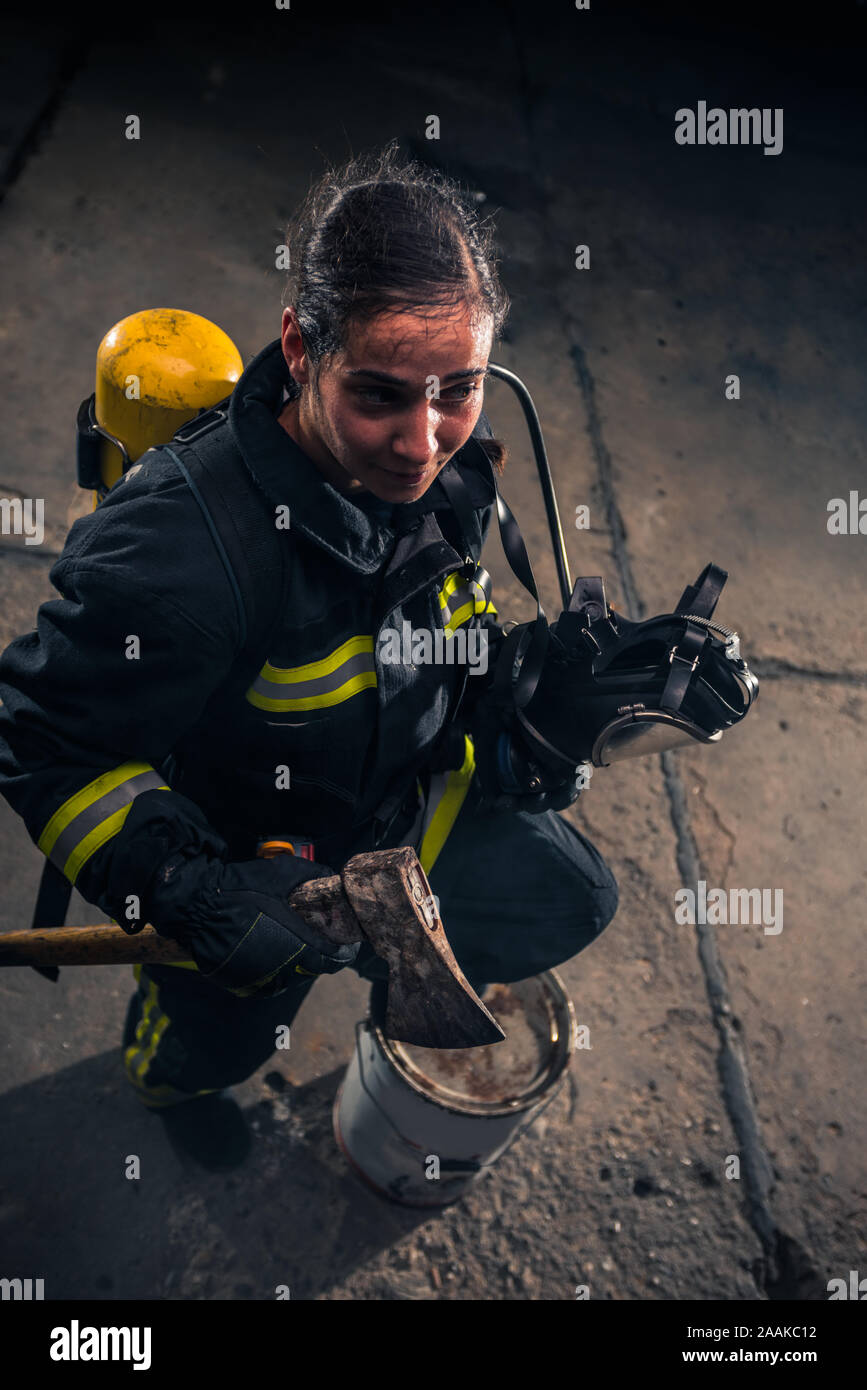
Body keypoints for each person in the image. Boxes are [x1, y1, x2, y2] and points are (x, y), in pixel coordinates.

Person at [0, 143, 618, 1167]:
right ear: (299, 347)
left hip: (406, 824)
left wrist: (545, 699)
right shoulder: (182, 557)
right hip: (261, 883)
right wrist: (187, 890)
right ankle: (167, 1080)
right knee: (220, 1035)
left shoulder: (451, 479)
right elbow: (45, 744)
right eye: (379, 394)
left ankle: (386, 978)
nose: (424, 442)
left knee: (573, 895)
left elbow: (449, 635)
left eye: (458, 388)